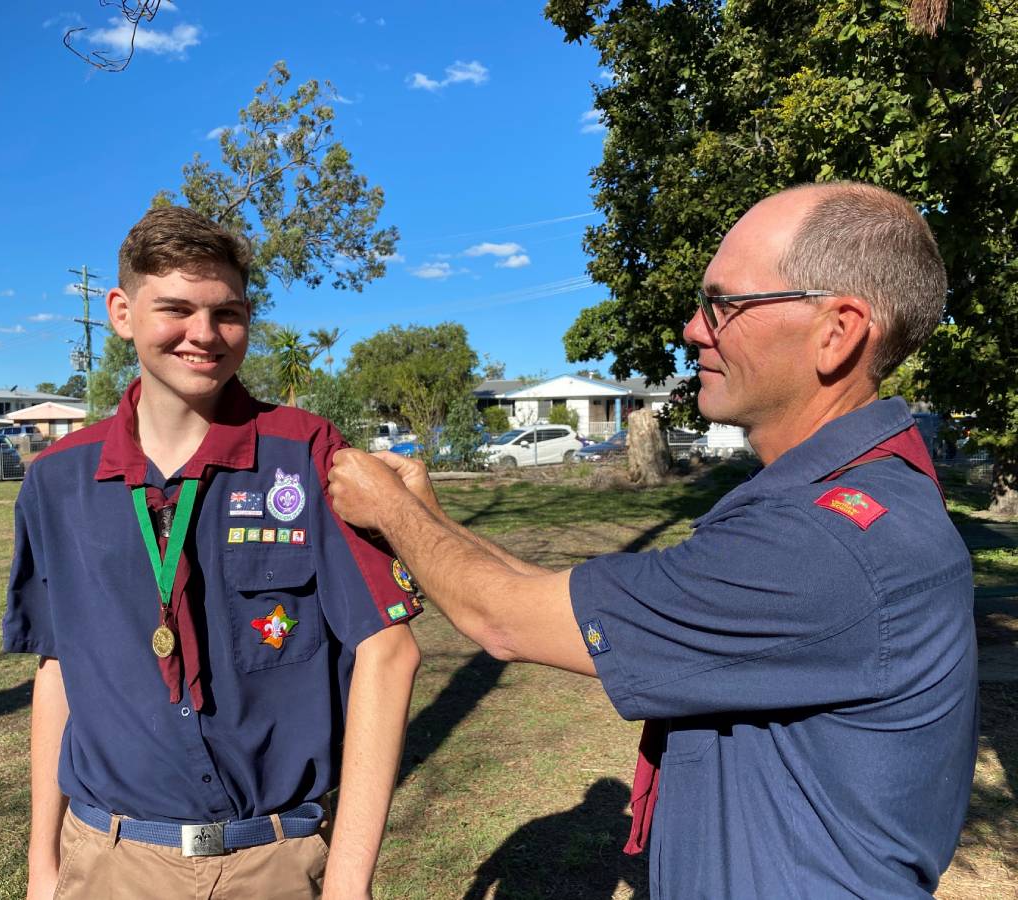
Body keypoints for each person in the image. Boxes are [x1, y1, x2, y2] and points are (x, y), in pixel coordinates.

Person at [327, 182, 977, 898]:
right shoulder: (854, 507)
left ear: (838, 331)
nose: (696, 330)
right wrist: (435, 522)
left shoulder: (824, 543)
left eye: (725, 305)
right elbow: (551, 602)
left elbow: (504, 621)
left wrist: (393, 513)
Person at [3, 205, 422, 900]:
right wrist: (43, 867)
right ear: (121, 311)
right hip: (108, 862)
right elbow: (57, 670)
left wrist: (348, 885)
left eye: (227, 313)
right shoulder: (58, 479)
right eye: (176, 309)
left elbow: (388, 650)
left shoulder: (309, 456)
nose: (205, 335)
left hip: (274, 864)